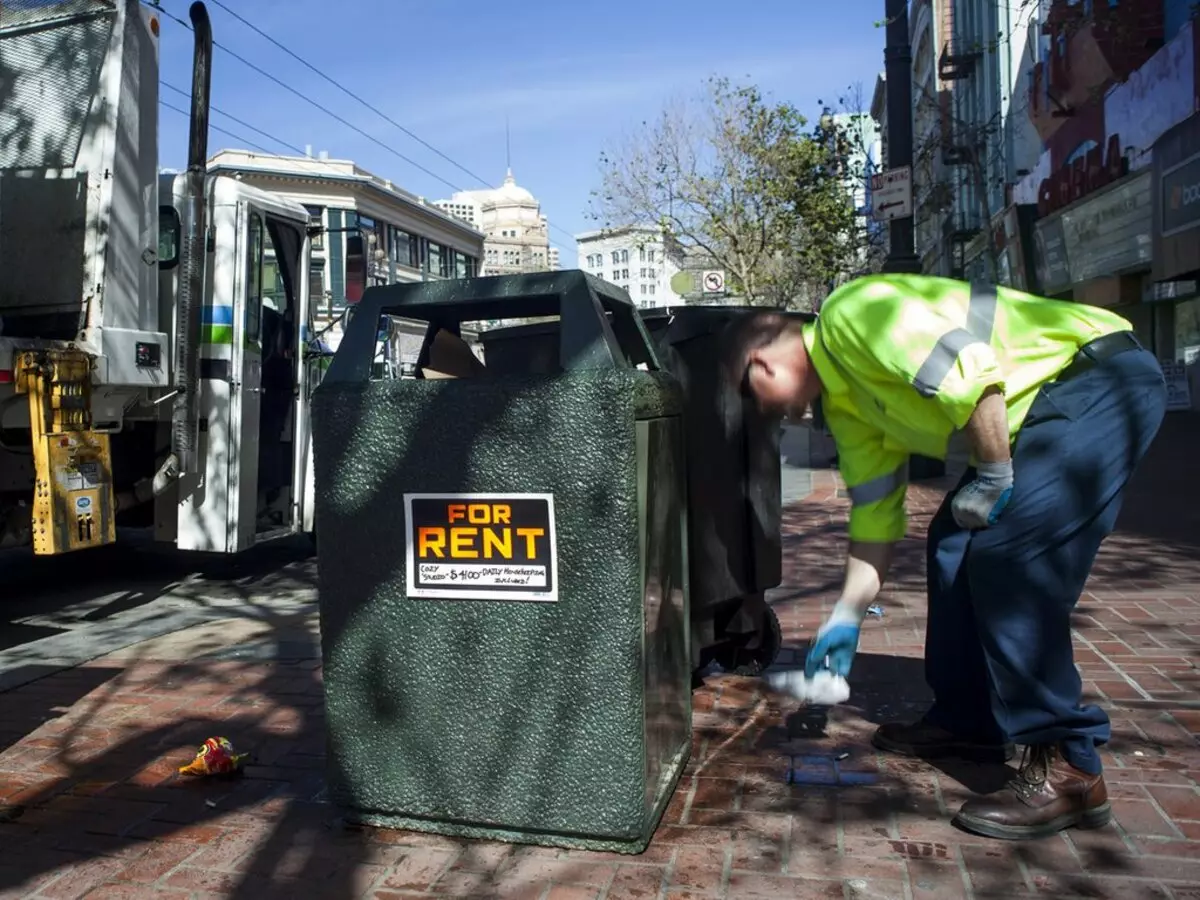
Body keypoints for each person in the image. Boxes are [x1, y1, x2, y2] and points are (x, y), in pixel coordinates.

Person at [727, 273, 1167, 842]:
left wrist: (994, 474)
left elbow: (973, 371)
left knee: (1009, 555)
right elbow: (877, 519)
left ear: (763, 363)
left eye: (758, 403)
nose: (772, 417)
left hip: (1096, 378)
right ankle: (970, 720)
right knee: (953, 546)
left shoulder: (851, 314)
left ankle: (1071, 765)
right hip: (1041, 409)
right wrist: (847, 617)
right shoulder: (850, 406)